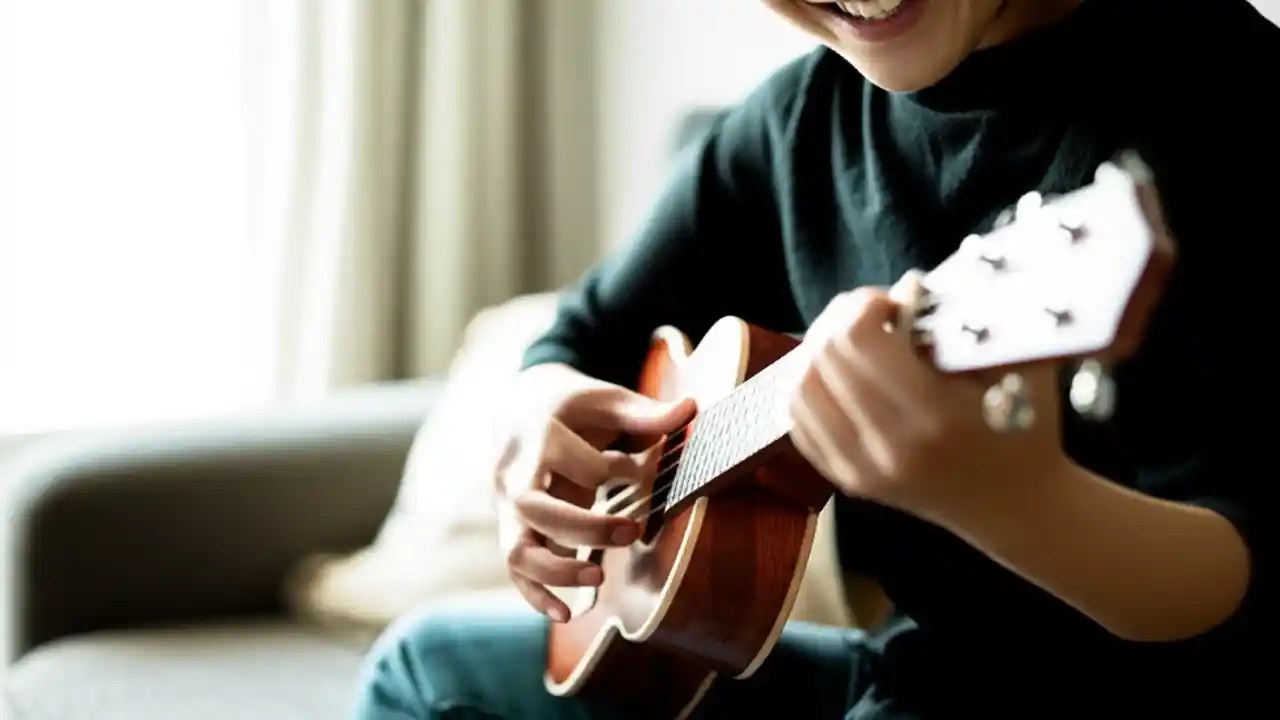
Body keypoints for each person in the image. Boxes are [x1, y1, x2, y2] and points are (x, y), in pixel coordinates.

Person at [350, 1, 1279, 717]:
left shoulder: (1219, 101)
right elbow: (581, 336)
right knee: (424, 667)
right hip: (912, 673)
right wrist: (538, 424)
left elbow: (1247, 579)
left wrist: (1006, 499)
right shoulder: (801, 120)